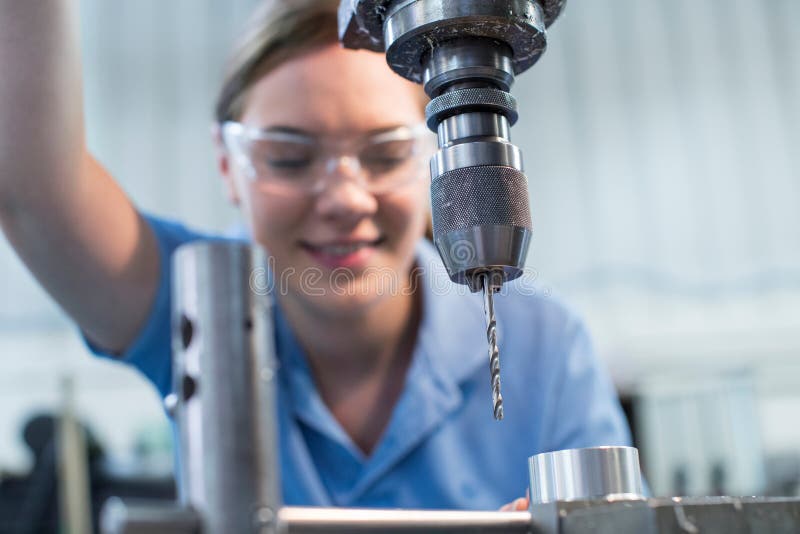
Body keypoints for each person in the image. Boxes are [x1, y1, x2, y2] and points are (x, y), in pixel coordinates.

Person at [0, 0, 631, 510]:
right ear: (229, 164)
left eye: (385, 154)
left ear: (431, 159)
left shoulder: (545, 347)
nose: (344, 199)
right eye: (291, 157)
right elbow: (31, 191)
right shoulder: (198, 306)